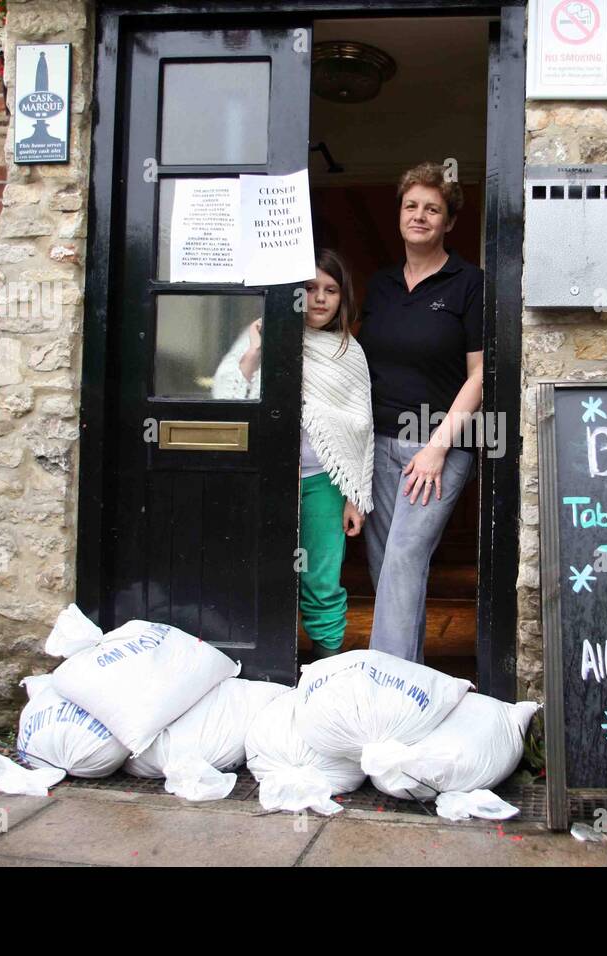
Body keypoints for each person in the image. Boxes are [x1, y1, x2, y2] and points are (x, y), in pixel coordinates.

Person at [212, 249, 374, 660]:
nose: (320, 298)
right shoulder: (267, 336)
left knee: (321, 577)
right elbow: (226, 397)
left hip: (325, 482)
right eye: (310, 288)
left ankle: (327, 664)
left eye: (331, 290)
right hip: (267, 479)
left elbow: (360, 425)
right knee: (260, 570)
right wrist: (254, 351)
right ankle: (260, 665)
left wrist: (355, 494)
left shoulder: (347, 353)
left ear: (342, 298)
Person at [357, 161, 484, 663]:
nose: (420, 215)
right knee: (383, 563)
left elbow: (480, 375)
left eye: (432, 209)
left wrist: (438, 446)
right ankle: (405, 675)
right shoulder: (382, 286)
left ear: (448, 222)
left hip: (437, 446)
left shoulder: (467, 282)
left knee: (405, 559)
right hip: (381, 443)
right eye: (411, 206)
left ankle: (382, 680)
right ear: (399, 215)